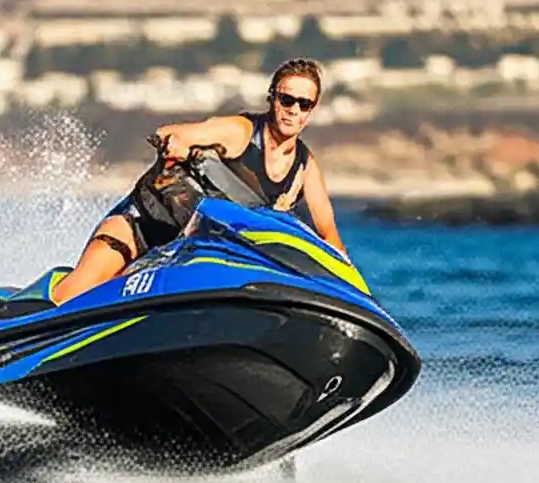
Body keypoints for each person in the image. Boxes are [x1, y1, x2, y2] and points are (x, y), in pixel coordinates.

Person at [51, 58, 345, 305]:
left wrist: (352, 292)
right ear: (272, 98)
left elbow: (329, 236)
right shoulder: (240, 132)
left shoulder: (304, 170)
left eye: (304, 103)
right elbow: (171, 132)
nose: (294, 109)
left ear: (312, 109)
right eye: (287, 99)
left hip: (192, 252)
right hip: (144, 226)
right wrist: (177, 145)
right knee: (75, 295)